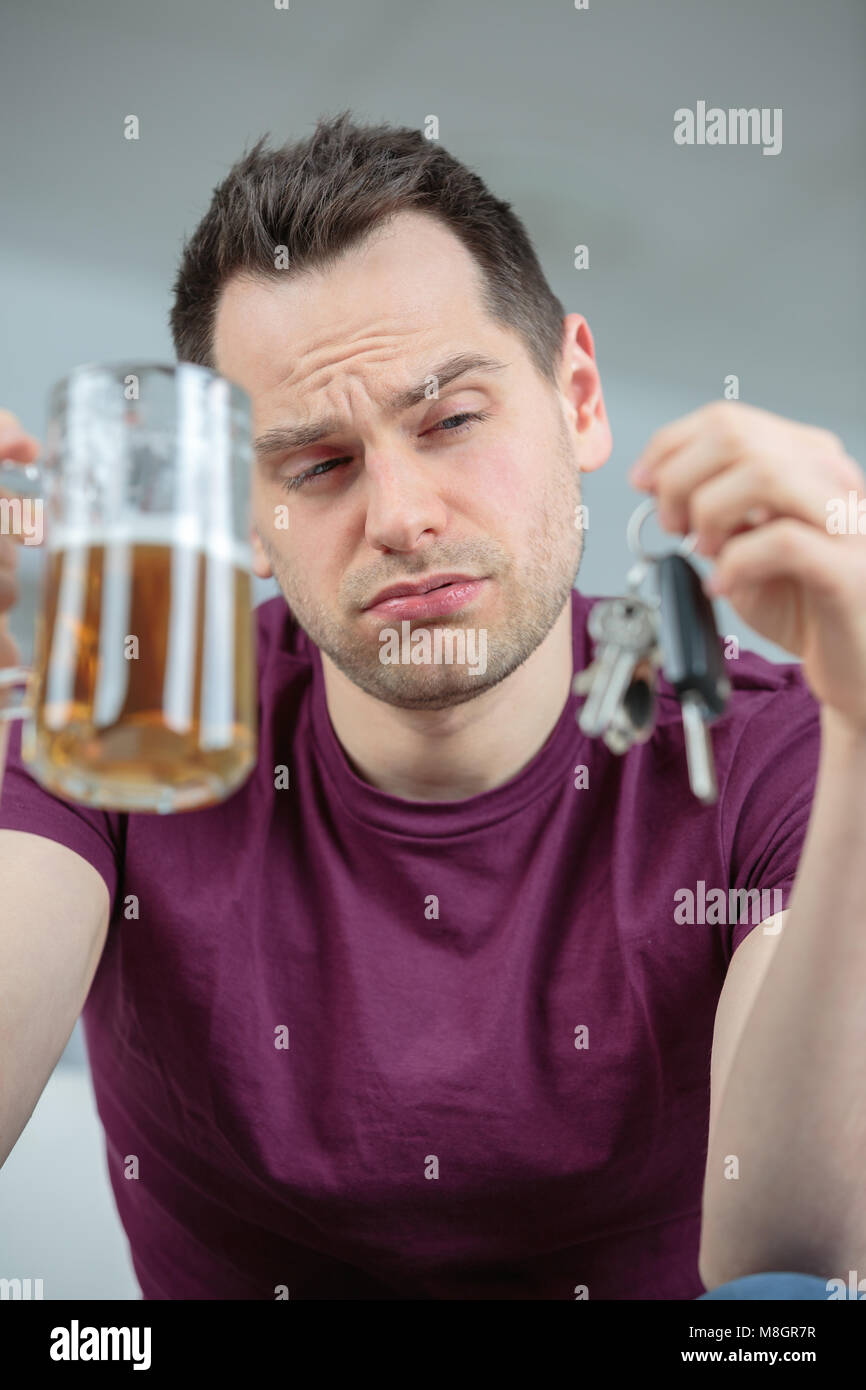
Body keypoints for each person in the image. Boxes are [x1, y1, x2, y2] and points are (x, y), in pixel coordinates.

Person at [1, 111, 864, 1302]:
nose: (402, 515)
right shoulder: (123, 728)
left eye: (452, 420)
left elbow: (795, 1261)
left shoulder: (779, 748)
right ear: (242, 513)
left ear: (577, 397)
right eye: (317, 465)